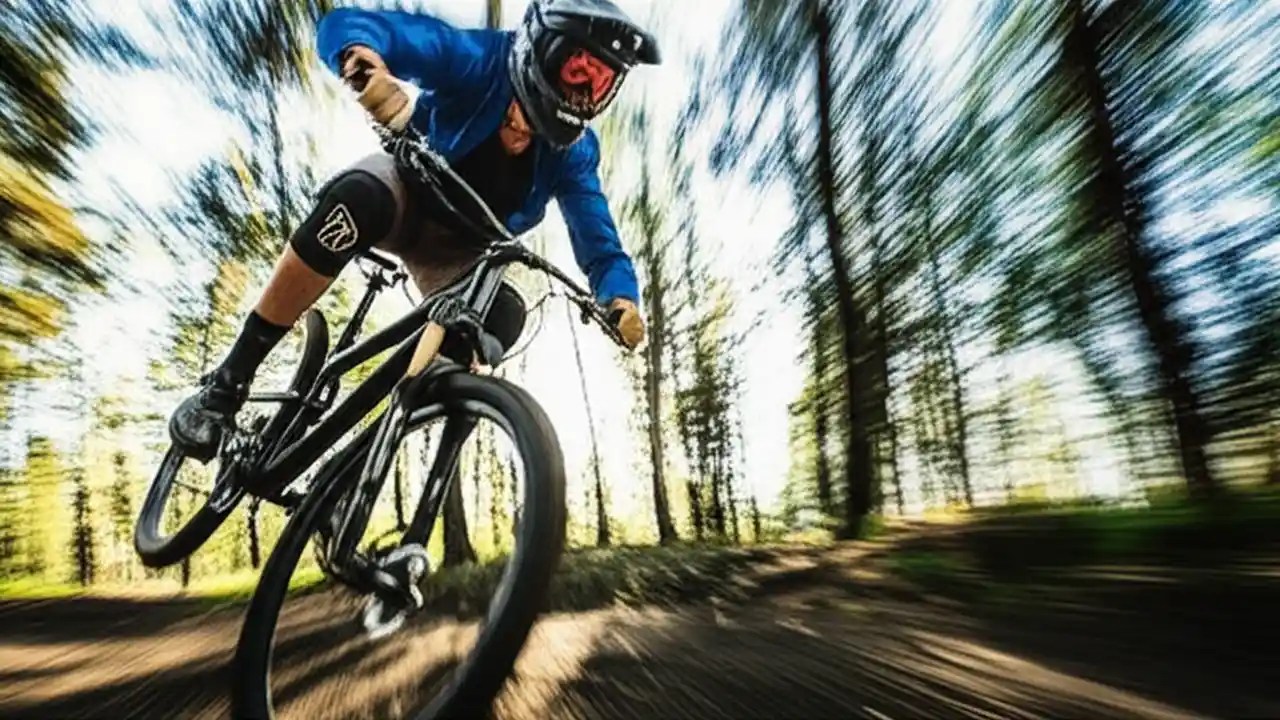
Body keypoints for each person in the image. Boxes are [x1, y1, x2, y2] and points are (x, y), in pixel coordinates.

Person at [169, 0, 660, 461]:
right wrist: (363, 61)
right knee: (354, 203)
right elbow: (353, 27)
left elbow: (599, 240)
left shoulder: (574, 153)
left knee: (502, 315)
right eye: (578, 71)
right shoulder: (479, 60)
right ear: (544, 48)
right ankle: (225, 386)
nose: (582, 93)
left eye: (600, 84)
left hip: (459, 249)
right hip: (404, 191)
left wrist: (620, 297)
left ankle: (362, 464)